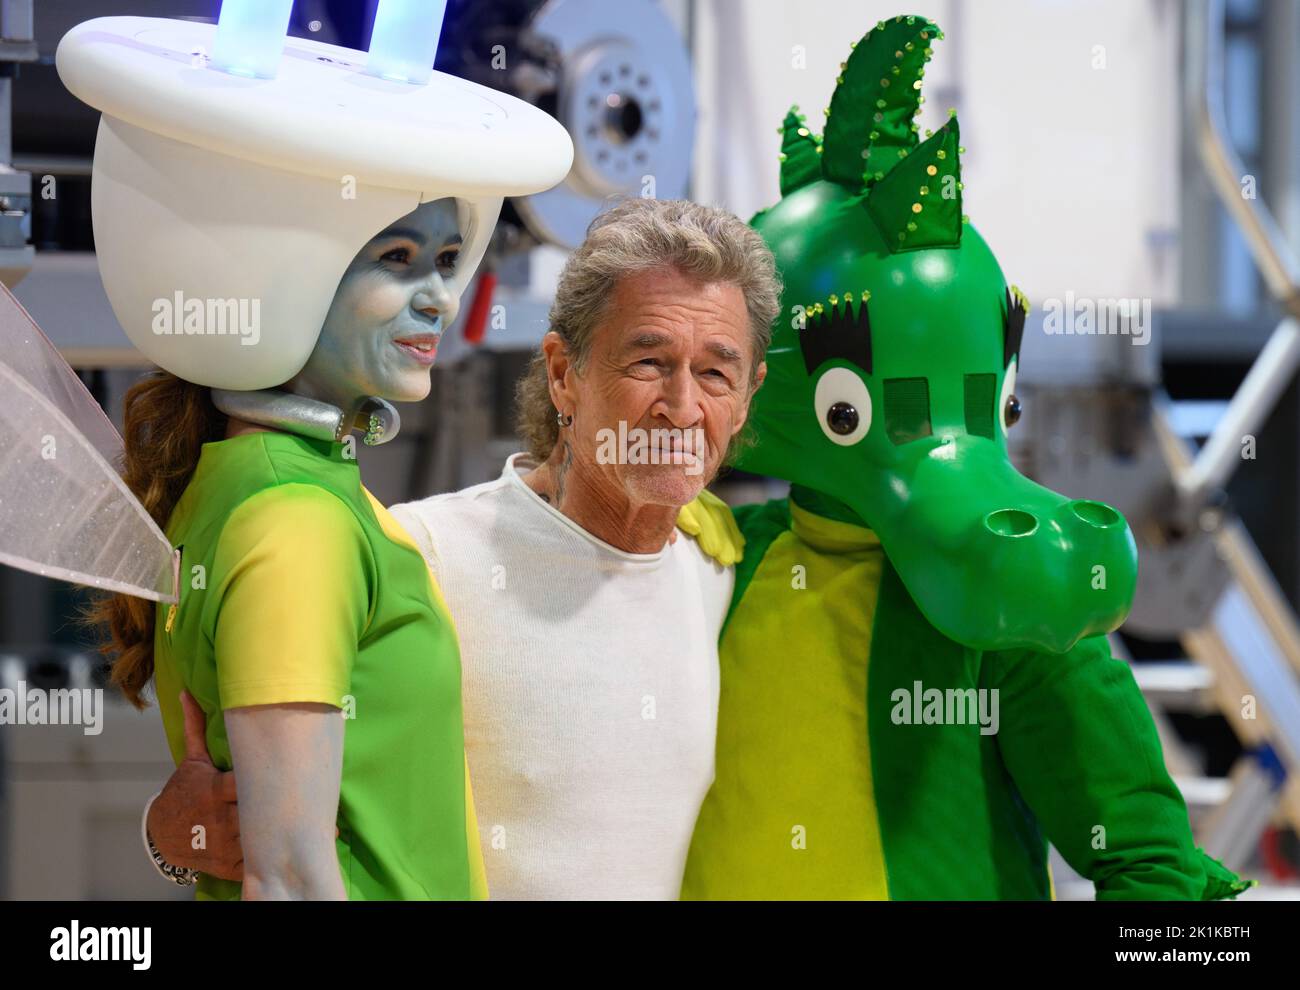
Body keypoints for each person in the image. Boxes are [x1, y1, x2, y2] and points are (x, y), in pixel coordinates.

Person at [52, 14, 573, 899]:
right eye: (397, 259)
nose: (437, 298)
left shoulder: (262, 480)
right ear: (282, 270)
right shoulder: (295, 519)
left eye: (448, 259)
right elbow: (289, 874)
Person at [146, 197, 778, 899]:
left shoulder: (721, 570)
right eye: (648, 361)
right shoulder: (421, 557)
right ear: (565, 374)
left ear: (748, 397)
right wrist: (168, 839)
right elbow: (262, 824)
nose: (683, 405)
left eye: (716, 374)